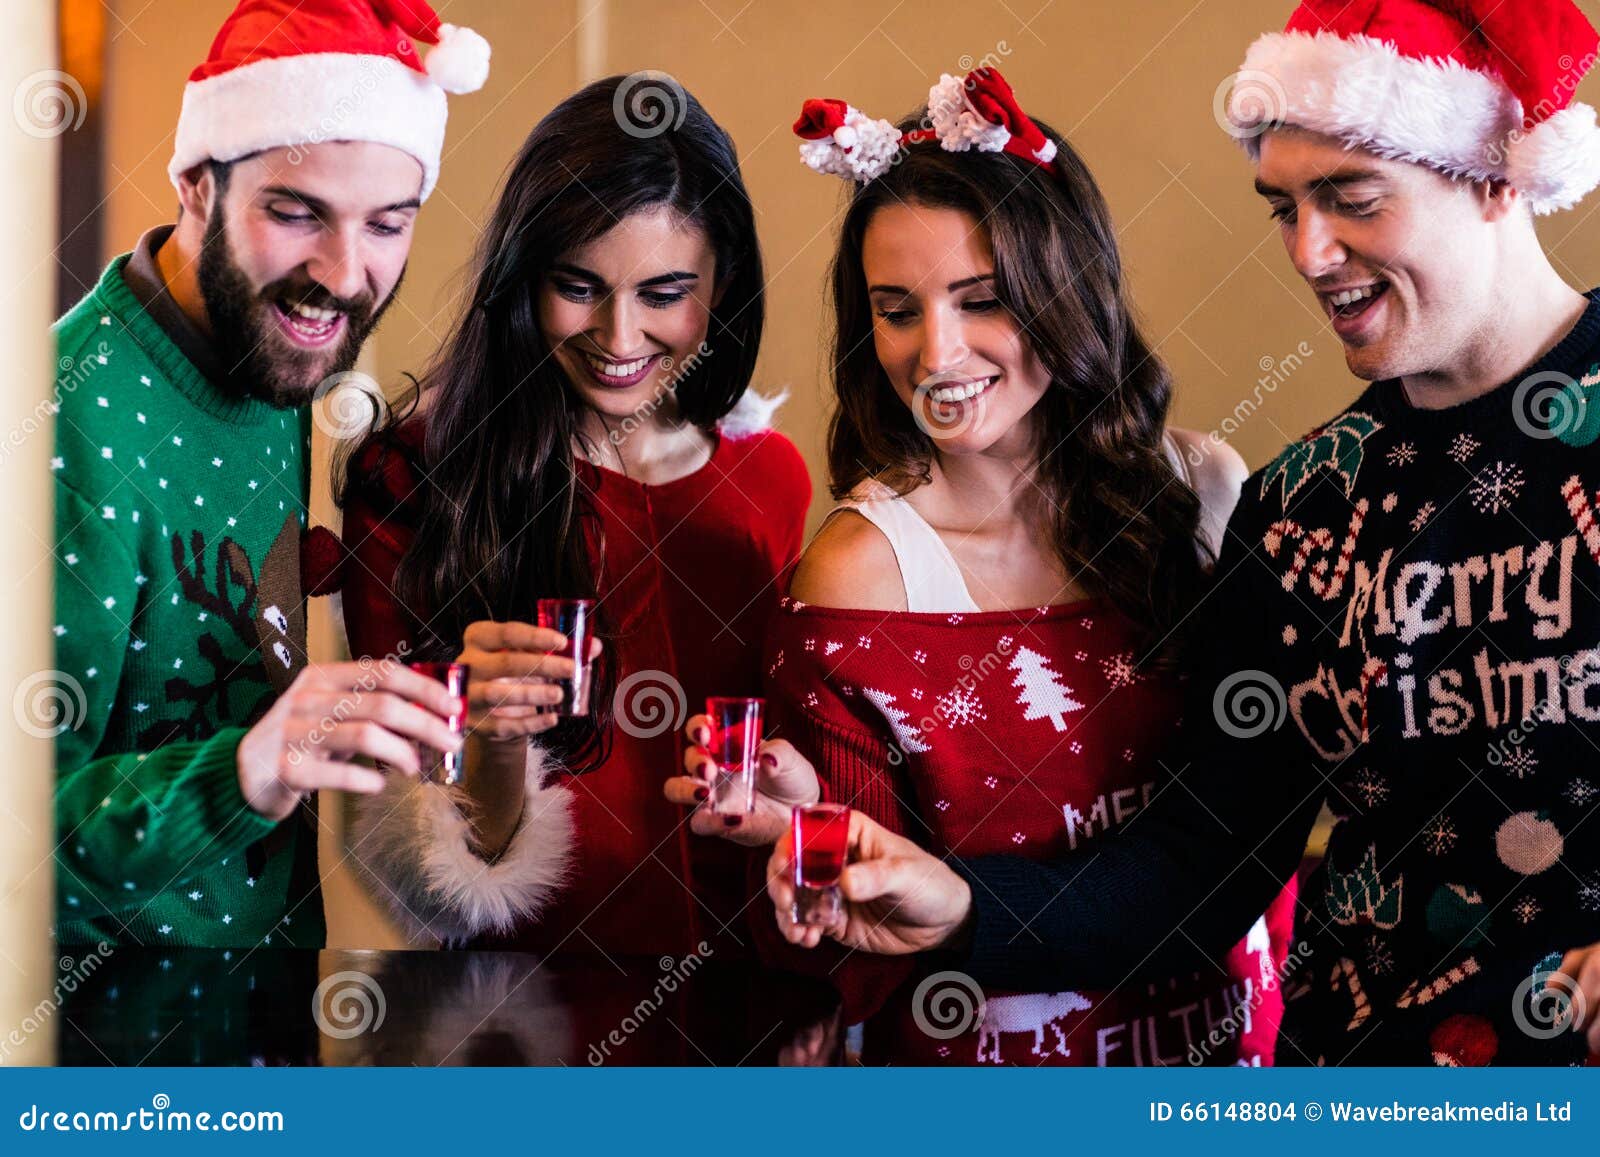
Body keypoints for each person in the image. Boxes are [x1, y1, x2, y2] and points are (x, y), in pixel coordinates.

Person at [765, 0, 1600, 1064]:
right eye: (1282, 207)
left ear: (1495, 174)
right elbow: (1202, 862)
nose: (1308, 251)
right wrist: (956, 902)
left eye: (1349, 200)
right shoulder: (1302, 506)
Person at [668, 69, 1297, 1066]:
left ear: (1065, 290)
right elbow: (851, 944)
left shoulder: (1204, 493)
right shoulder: (862, 570)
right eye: (897, 308)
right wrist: (804, 835)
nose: (937, 352)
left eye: (981, 299)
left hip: (1222, 1063)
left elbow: (1241, 832)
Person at [336, 76, 811, 956]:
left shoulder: (768, 479)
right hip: (522, 1026)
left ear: (724, 282)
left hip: (747, 1003)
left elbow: (793, 769)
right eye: (579, 287)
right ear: (524, 280)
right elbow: (426, 873)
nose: (620, 338)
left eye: (665, 294)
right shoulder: (416, 480)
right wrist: (490, 727)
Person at [50, 0, 490, 948]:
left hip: (272, 1024)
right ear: (199, 186)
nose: (341, 273)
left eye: (387, 224)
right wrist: (251, 768)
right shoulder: (57, 421)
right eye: (296, 214)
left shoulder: (272, 356)